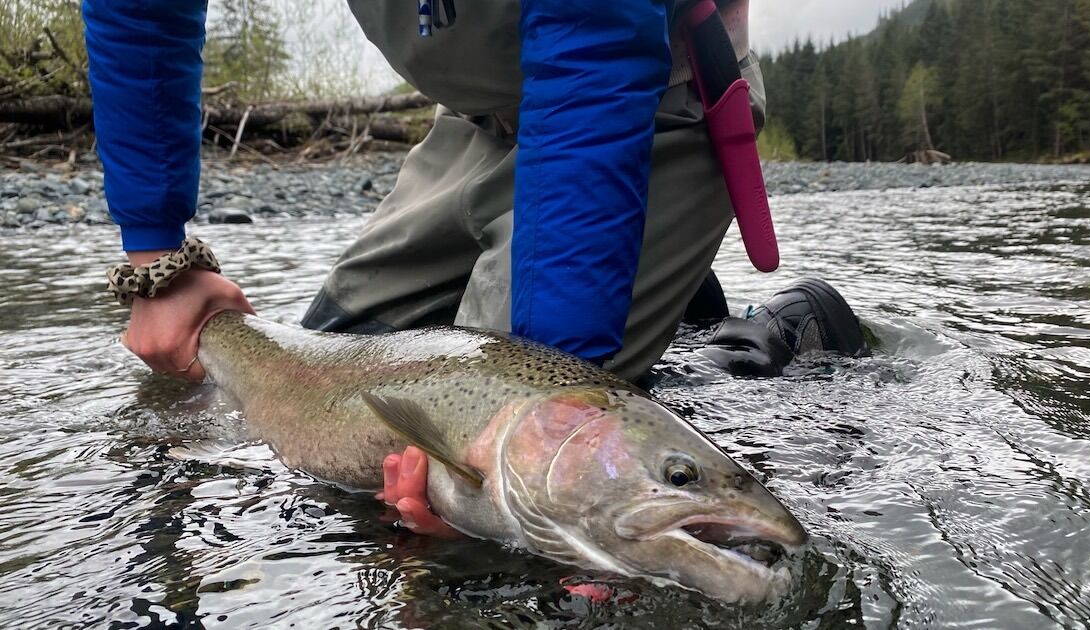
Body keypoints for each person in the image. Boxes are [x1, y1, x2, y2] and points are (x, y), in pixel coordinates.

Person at [88, 0, 865, 540]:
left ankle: (763, 343)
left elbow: (593, 47)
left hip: (636, 91)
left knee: (506, 520)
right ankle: (668, 296)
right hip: (472, 117)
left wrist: (525, 466)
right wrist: (158, 260)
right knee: (310, 406)